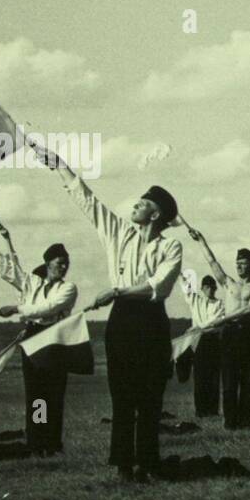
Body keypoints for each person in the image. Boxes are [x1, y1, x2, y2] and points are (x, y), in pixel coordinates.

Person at [37, 145, 182, 482]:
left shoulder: (170, 246)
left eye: (144, 203)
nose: (136, 205)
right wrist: (60, 166)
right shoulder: (118, 232)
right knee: (122, 393)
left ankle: (148, 463)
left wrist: (117, 291)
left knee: (149, 394)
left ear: (156, 215)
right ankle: (123, 465)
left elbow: (159, 285)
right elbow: (86, 200)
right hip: (122, 321)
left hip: (150, 318)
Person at [0, 224, 77, 454]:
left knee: (53, 393)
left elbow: (49, 308)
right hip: (33, 337)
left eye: (66, 263)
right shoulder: (31, 283)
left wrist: (16, 308)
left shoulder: (68, 288)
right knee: (36, 394)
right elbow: (6, 267)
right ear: (48, 264)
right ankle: (37, 440)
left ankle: (52, 442)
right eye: (59, 263)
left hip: (55, 339)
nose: (63, 267)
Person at [186, 232, 250, 429]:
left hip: (248, 334)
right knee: (229, 383)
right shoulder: (228, 283)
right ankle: (230, 424)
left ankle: (247, 424)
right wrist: (201, 241)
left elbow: (249, 310)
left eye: (243, 263)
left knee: (248, 383)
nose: (238, 266)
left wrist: (221, 319)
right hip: (230, 336)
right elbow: (212, 262)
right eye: (237, 262)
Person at [177, 273, 224, 417]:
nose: (210, 290)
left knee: (213, 377)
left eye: (213, 287)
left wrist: (198, 327)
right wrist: (178, 272)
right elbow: (185, 286)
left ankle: (212, 411)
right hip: (198, 341)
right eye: (207, 287)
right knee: (199, 377)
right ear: (202, 288)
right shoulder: (195, 300)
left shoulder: (219, 304)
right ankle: (201, 411)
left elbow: (217, 324)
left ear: (215, 288)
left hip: (213, 341)